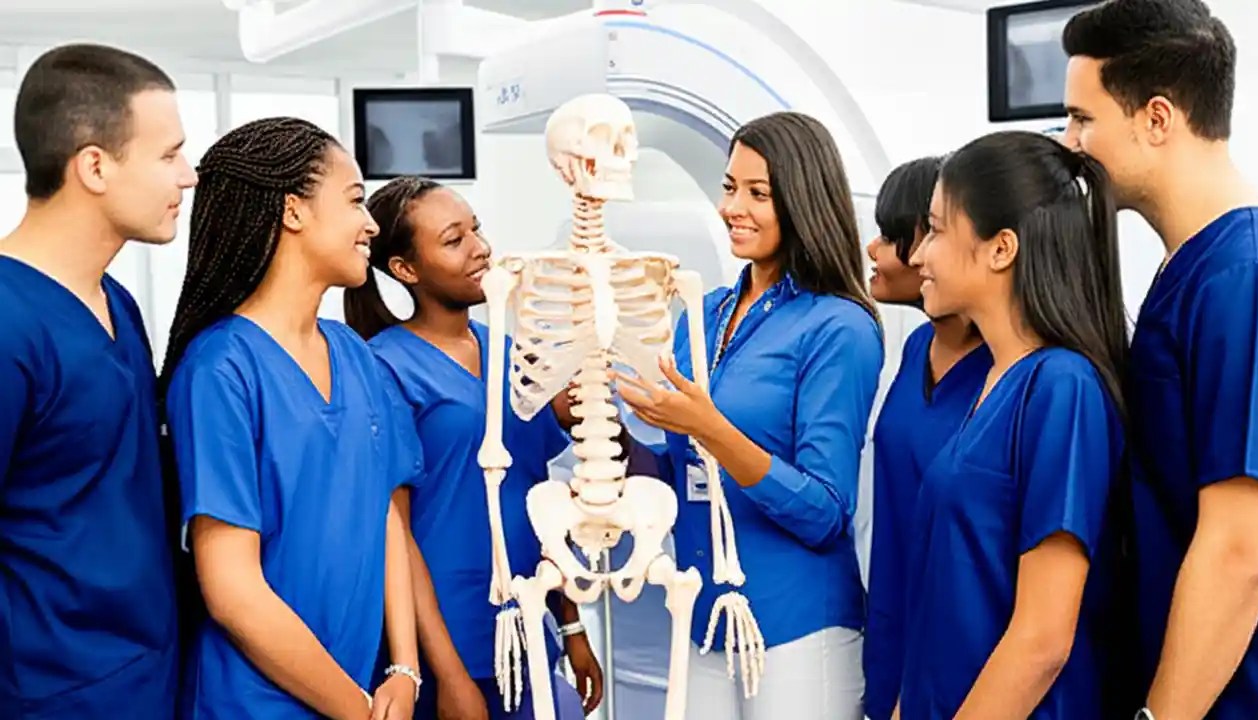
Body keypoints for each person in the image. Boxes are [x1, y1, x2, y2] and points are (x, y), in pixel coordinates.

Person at [614, 111, 884, 719]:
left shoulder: (838, 327)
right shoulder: (702, 312)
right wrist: (609, 434)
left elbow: (824, 512)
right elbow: (675, 470)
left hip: (795, 623)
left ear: (802, 200)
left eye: (758, 193)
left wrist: (709, 426)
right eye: (730, 186)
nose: (733, 206)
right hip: (704, 617)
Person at [159, 117, 421, 720]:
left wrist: (403, 669)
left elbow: (383, 511)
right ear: (293, 211)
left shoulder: (354, 353)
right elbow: (233, 590)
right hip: (254, 701)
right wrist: (354, 709)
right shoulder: (221, 368)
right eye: (355, 201)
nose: (371, 224)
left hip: (363, 690)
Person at [1062, 2, 1258, 717]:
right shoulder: (1187, 269)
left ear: (1157, 119)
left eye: (1083, 119)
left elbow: (1242, 548)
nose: (1070, 143)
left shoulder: (1244, 276)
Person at [343, 176, 603, 720]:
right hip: (448, 639)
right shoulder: (382, 366)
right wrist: (448, 674)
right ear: (405, 270)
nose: (480, 248)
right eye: (453, 239)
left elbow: (541, 500)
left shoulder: (512, 353)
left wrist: (572, 624)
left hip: (532, 628)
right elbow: (395, 530)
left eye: (477, 230)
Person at [895, 130, 1128, 719]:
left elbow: (1043, 640)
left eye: (938, 229)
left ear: (1002, 248)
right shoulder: (992, 382)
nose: (918, 254)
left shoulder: (1061, 388)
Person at [0, 43, 196, 718]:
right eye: (169, 154)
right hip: (49, 694)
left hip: (149, 676)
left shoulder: (119, 305)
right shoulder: (9, 322)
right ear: (94, 166)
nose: (189, 176)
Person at [861, 156, 992, 720]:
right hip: (892, 626)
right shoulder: (916, 350)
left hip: (960, 657)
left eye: (896, 236)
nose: (875, 250)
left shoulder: (1006, 376)